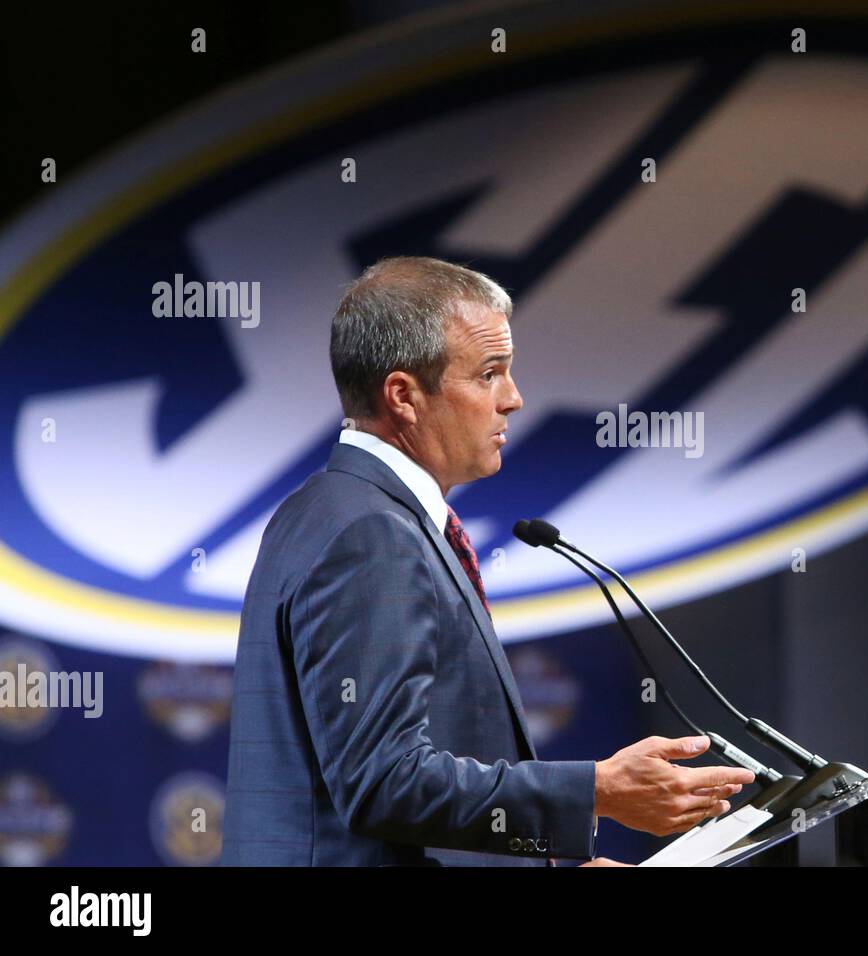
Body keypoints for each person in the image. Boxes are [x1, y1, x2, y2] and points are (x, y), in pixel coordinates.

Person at [221, 257, 753, 866]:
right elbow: (383, 782)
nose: (514, 399)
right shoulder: (370, 535)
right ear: (404, 396)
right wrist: (596, 791)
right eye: (489, 373)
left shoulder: (325, 510)